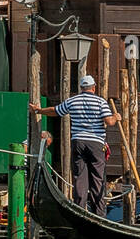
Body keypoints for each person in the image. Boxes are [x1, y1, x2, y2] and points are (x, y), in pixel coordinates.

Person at [31, 73, 119, 215]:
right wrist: (116, 116)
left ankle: (79, 210)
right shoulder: (100, 102)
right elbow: (109, 121)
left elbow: (55, 111)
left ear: (81, 88)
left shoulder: (73, 101)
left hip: (78, 142)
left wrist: (39, 110)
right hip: (96, 143)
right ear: (94, 88)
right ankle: (100, 214)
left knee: (80, 178)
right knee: (97, 178)